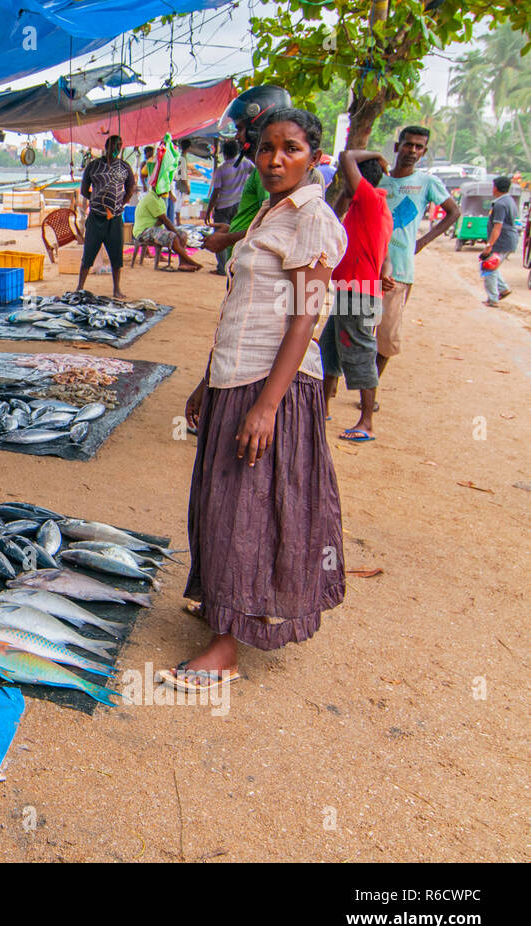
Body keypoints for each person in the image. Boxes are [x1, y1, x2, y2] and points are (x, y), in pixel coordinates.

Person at [162, 107, 347, 692]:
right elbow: (240, 310)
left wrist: (267, 405)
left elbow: (304, 319)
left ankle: (226, 648)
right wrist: (206, 380)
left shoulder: (312, 219)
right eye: (266, 148)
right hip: (235, 377)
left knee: (248, 510)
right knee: (221, 501)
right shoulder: (272, 209)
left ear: (314, 156)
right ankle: (223, 605)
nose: (274, 159)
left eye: (290, 148)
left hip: (276, 386)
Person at [320, 149, 392, 443]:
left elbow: (347, 154)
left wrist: (376, 154)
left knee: (360, 354)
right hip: (350, 290)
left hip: (358, 293)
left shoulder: (373, 202)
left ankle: (367, 422)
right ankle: (321, 407)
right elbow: (332, 217)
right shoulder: (365, 207)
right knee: (329, 350)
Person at [378, 126, 459, 381]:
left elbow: (454, 213)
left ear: (424, 152)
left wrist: (422, 242)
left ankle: (370, 388)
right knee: (355, 329)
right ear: (397, 146)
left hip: (400, 271)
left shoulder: (427, 182)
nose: (412, 150)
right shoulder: (378, 178)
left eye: (419, 147)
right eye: (408, 144)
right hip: (368, 267)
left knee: (387, 335)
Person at [202, 85, 293, 266]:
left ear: (257, 129)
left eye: (240, 128)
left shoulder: (269, 174)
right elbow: (259, 221)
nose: (237, 136)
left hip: (254, 268)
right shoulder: (259, 170)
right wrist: (231, 230)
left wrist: (227, 239)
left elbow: (272, 226)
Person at [77, 134, 136, 297]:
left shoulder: (124, 167)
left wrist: (119, 203)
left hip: (115, 218)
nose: (117, 148)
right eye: (115, 145)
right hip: (95, 217)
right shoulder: (93, 166)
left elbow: (130, 187)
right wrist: (97, 201)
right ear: (107, 146)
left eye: (120, 145)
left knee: (116, 255)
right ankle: (79, 287)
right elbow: (84, 190)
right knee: (88, 254)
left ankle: (116, 289)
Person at [204, 139, 253, 275]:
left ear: (224, 153)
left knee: (220, 235)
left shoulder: (222, 169)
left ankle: (221, 267)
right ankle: (233, 264)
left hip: (223, 206)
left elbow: (216, 192)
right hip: (238, 205)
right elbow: (255, 172)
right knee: (234, 234)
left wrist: (209, 210)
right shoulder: (246, 164)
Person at [132, 184, 202, 272]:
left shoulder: (159, 200)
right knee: (173, 236)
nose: (167, 191)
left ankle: (183, 263)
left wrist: (176, 232)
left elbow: (162, 220)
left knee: (183, 234)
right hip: (143, 231)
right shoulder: (151, 199)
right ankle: (190, 261)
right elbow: (165, 221)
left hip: (155, 228)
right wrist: (175, 232)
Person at [479, 175, 519, 307]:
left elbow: (498, 226)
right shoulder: (509, 200)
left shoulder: (500, 204)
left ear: (495, 188)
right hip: (509, 240)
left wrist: (489, 246)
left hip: (502, 241)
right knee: (493, 267)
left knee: (488, 267)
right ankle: (503, 289)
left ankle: (493, 299)